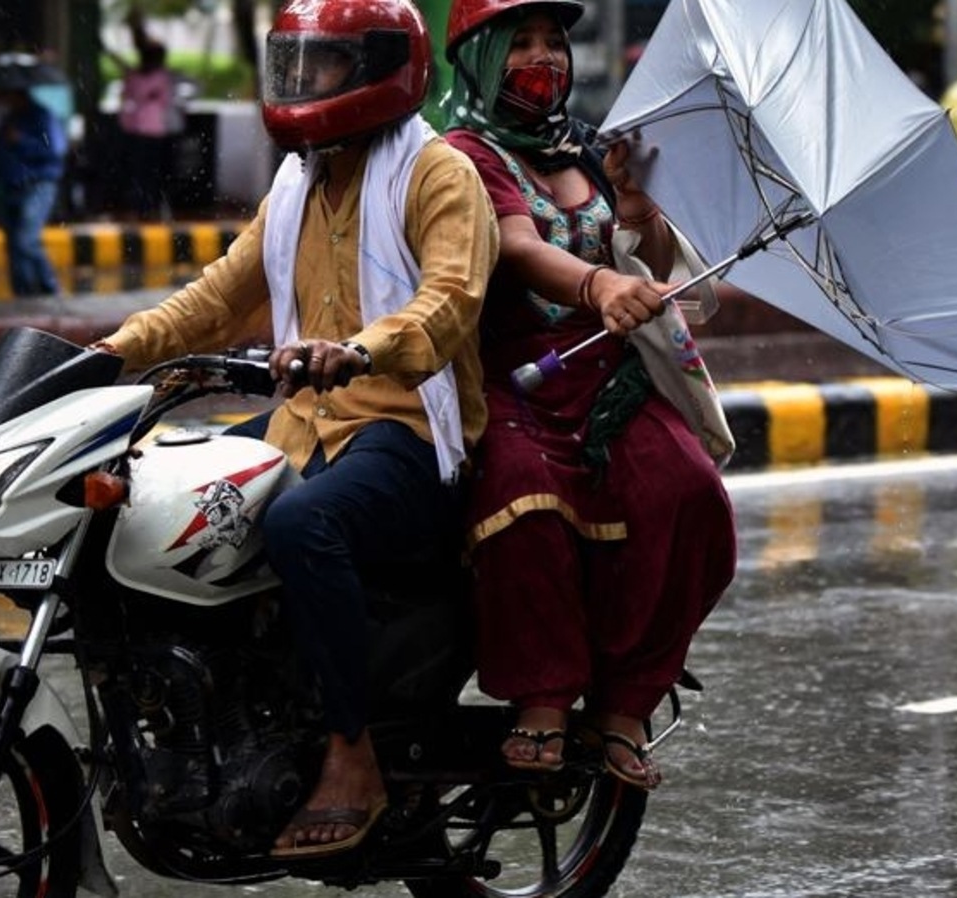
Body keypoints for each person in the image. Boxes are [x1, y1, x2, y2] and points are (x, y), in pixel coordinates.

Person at [86, 0, 497, 858]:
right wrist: (112, 352)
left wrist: (357, 350)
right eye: (295, 65)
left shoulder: (437, 175)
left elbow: (449, 303)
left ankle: (354, 754)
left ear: (383, 65)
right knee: (162, 503)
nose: (302, 84)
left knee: (303, 523)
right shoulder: (298, 180)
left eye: (324, 66)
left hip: (408, 426)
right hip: (306, 422)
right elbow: (219, 296)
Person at [442, 0, 737, 790]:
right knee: (524, 503)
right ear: (478, 58)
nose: (546, 59)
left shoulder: (585, 149)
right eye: (522, 44)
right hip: (512, 377)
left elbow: (652, 260)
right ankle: (542, 696)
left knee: (690, 495)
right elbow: (515, 246)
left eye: (555, 43)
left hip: (608, 378)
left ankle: (627, 703)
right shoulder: (461, 156)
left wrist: (636, 208)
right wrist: (599, 283)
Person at [0, 81, 67, 297]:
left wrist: (22, 141)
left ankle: (50, 287)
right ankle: (24, 294)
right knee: (13, 246)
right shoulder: (6, 119)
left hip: (38, 184)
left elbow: (55, 150)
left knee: (26, 240)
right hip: (10, 185)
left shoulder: (42, 116)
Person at [108, 5, 180, 219]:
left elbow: (128, 96)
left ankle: (143, 207)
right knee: (153, 172)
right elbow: (165, 100)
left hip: (138, 128)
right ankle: (150, 206)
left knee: (140, 172)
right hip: (154, 130)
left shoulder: (135, 76)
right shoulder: (161, 78)